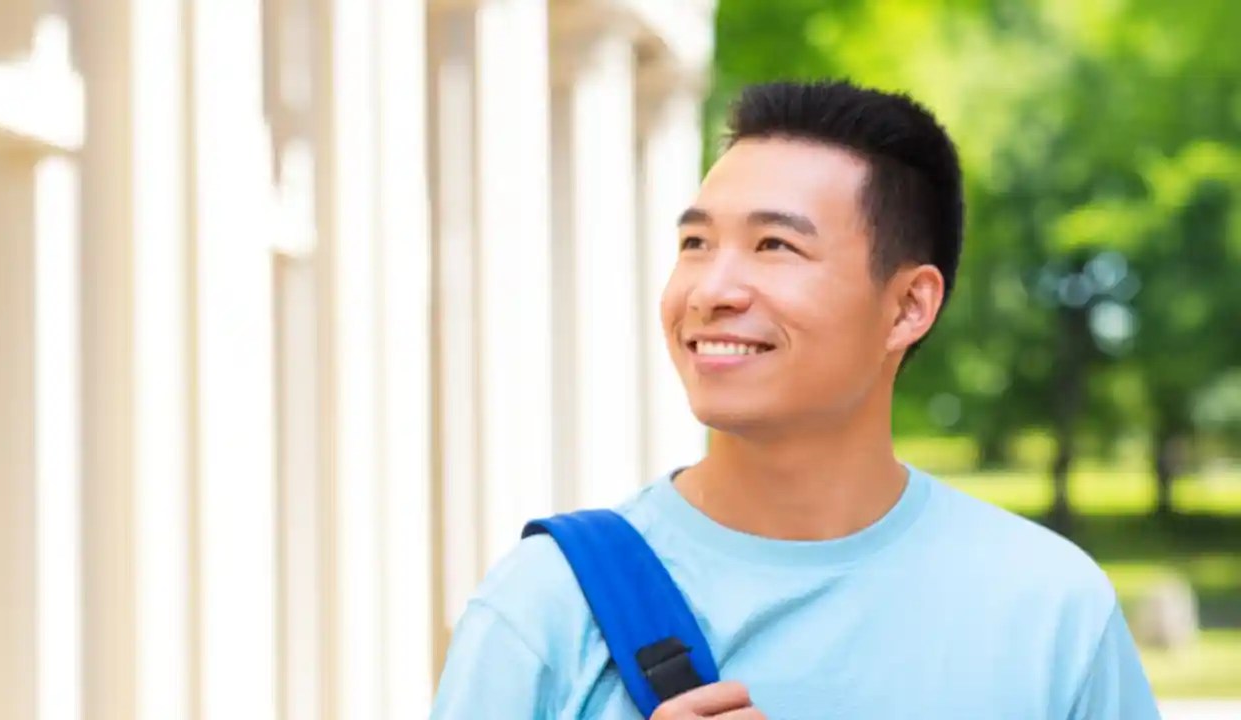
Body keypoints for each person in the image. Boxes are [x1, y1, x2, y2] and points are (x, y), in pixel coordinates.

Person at [430, 80, 1161, 719]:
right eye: (695, 244)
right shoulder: (548, 607)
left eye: (775, 246)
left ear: (908, 306)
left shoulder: (1048, 610)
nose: (711, 291)